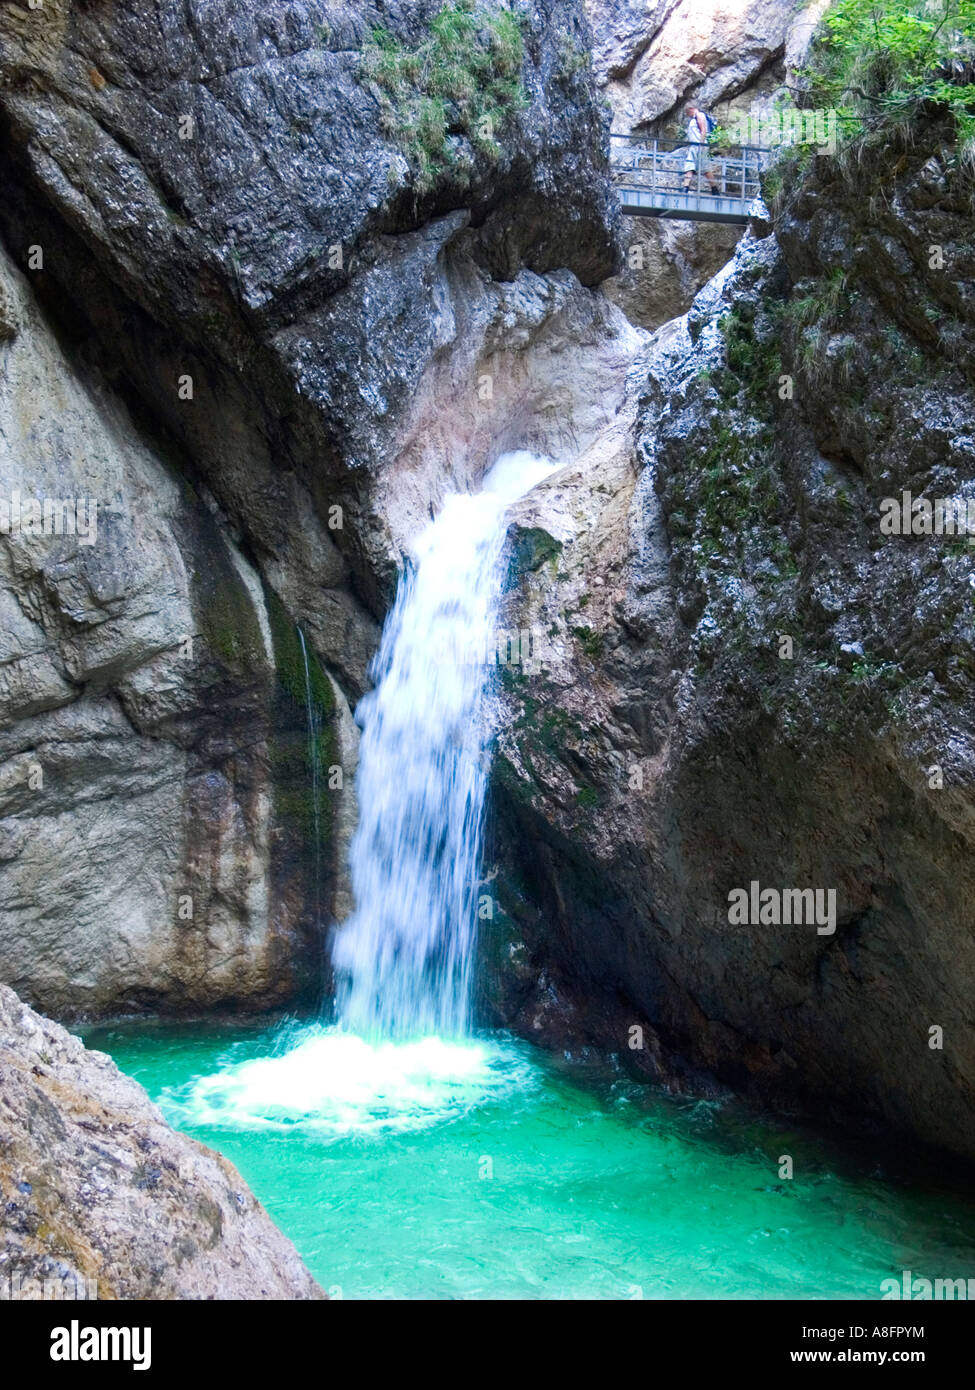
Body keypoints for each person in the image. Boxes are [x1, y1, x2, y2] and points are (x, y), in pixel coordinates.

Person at [681, 104, 720, 194]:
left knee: (705, 169)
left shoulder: (699, 115)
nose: (688, 115)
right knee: (690, 167)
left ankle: (715, 189)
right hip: (694, 146)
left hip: (699, 146)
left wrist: (701, 144)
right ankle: (685, 188)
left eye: (687, 113)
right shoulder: (694, 118)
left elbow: (703, 130)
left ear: (691, 109)